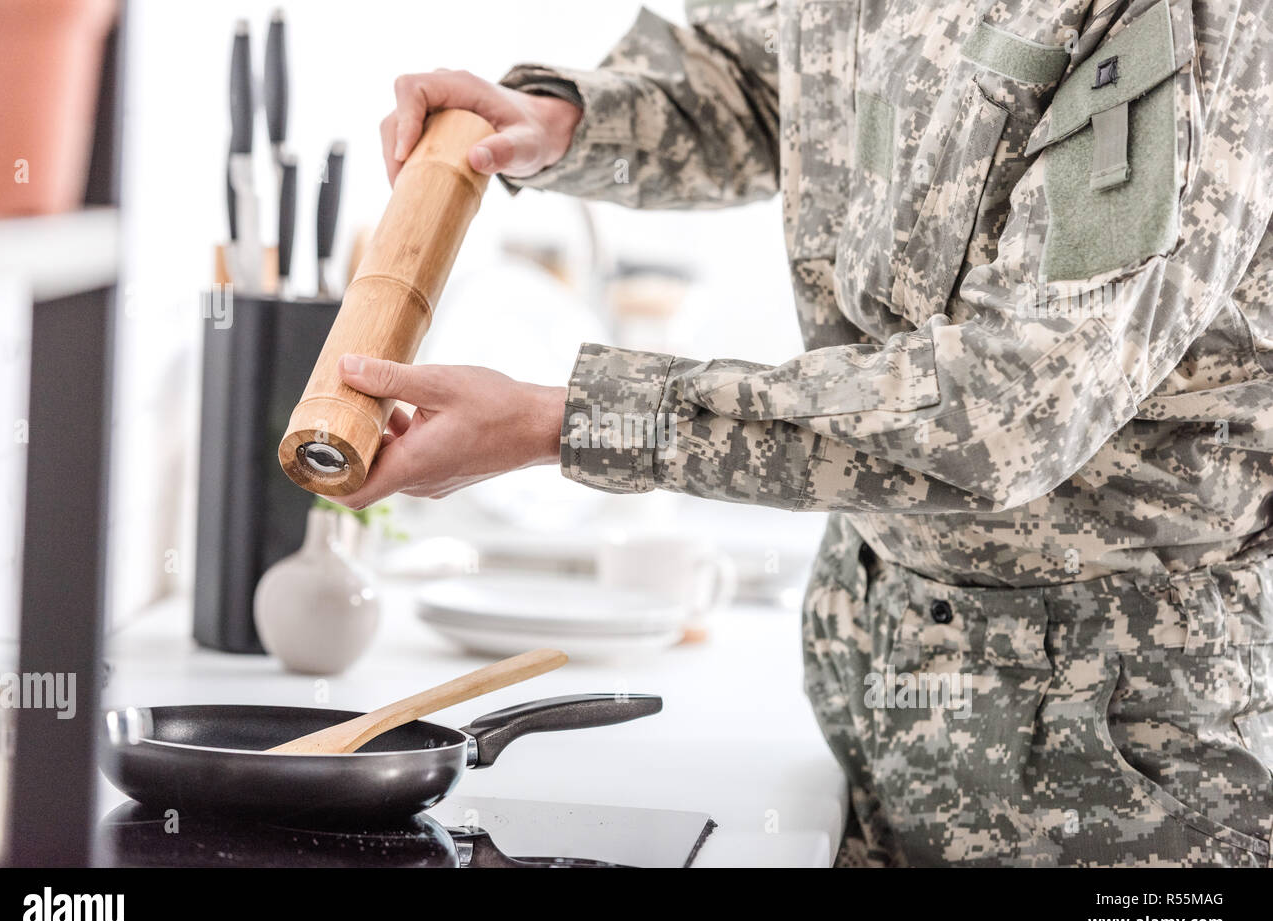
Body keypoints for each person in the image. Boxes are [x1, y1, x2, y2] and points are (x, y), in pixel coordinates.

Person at [329, 0, 1273, 866]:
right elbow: (752, 70)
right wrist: (570, 123)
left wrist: (563, 420)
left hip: (1124, 763)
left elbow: (1009, 406)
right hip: (879, 691)